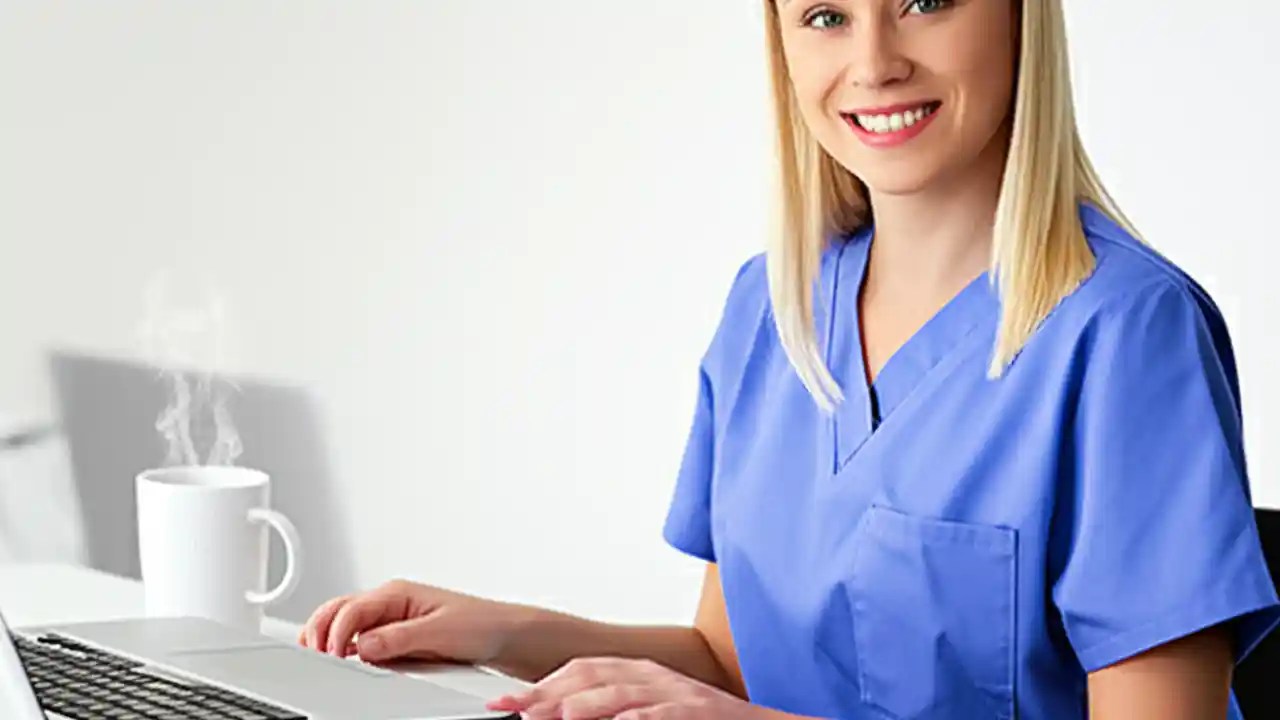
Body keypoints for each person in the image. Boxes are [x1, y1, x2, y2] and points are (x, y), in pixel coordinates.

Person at [300, 0, 1280, 717]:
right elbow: (726, 666)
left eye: (926, 3)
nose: (873, 61)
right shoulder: (770, 310)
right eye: (823, 16)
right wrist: (496, 637)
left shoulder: (1123, 334)